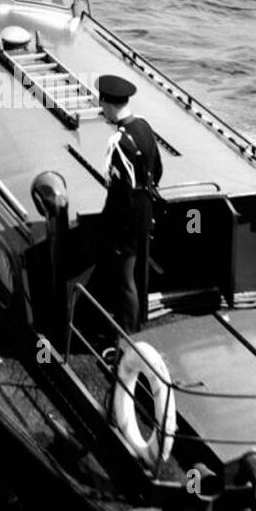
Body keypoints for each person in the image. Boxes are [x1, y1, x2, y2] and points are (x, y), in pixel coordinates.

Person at [88, 74, 162, 341]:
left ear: (107, 103)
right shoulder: (144, 127)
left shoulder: (118, 142)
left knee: (124, 280)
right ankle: (131, 329)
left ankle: (130, 339)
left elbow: (119, 192)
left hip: (126, 220)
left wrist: (110, 228)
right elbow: (157, 171)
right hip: (145, 212)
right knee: (132, 274)